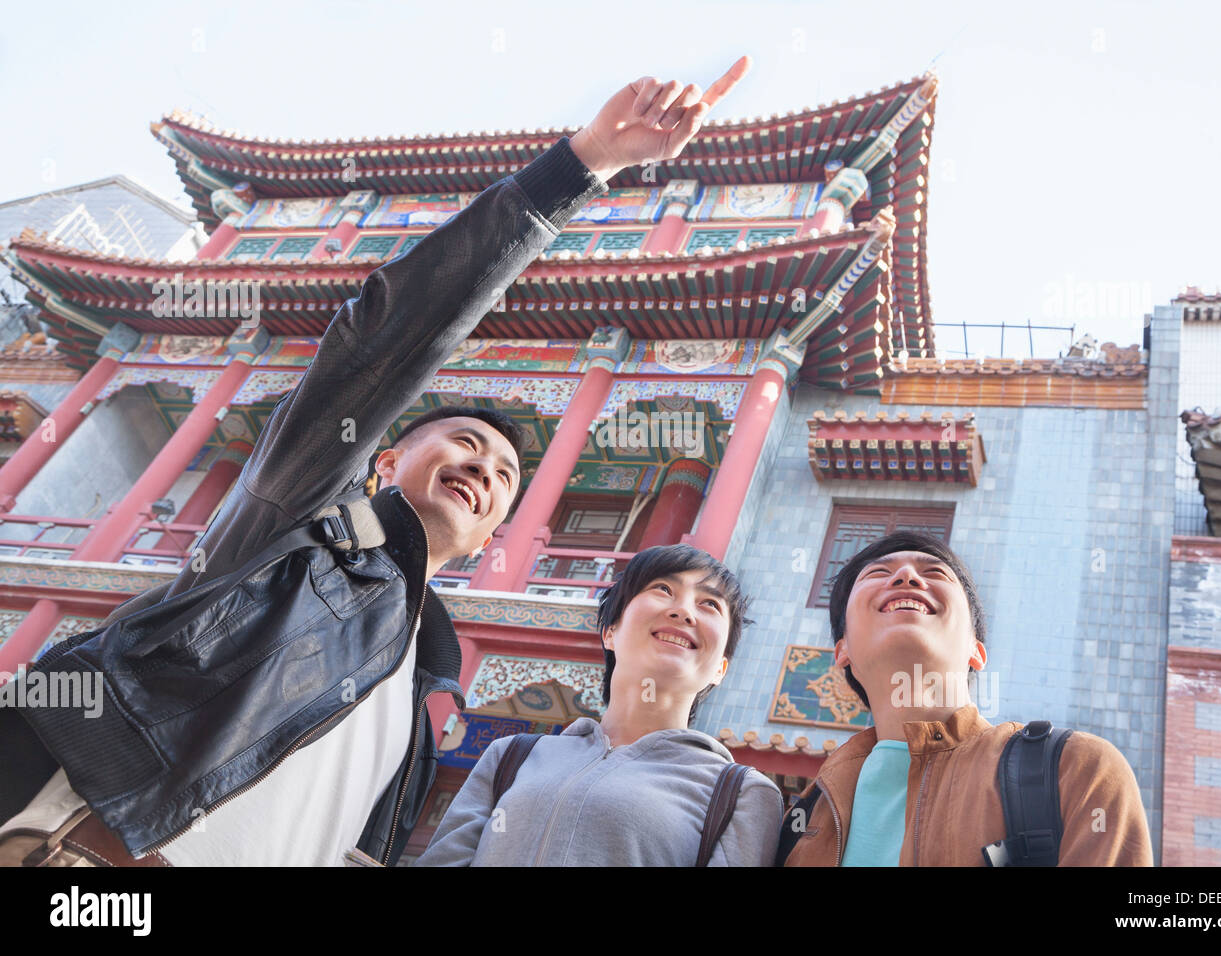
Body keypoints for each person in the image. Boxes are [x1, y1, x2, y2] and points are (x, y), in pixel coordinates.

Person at [0, 56, 753, 867]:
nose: (487, 471)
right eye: (466, 443)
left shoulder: (425, 673)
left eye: (506, 477)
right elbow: (380, 343)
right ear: (385, 458)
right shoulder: (299, 529)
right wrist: (584, 165)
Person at [780, 531, 1153, 867]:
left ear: (977, 651)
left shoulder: (1074, 771)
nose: (906, 576)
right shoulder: (802, 819)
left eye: (936, 574)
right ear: (841, 651)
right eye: (878, 573)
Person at [416, 544, 785, 866]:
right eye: (663, 589)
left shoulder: (741, 795)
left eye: (709, 604)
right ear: (610, 631)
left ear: (720, 669)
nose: (684, 611)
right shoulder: (512, 756)